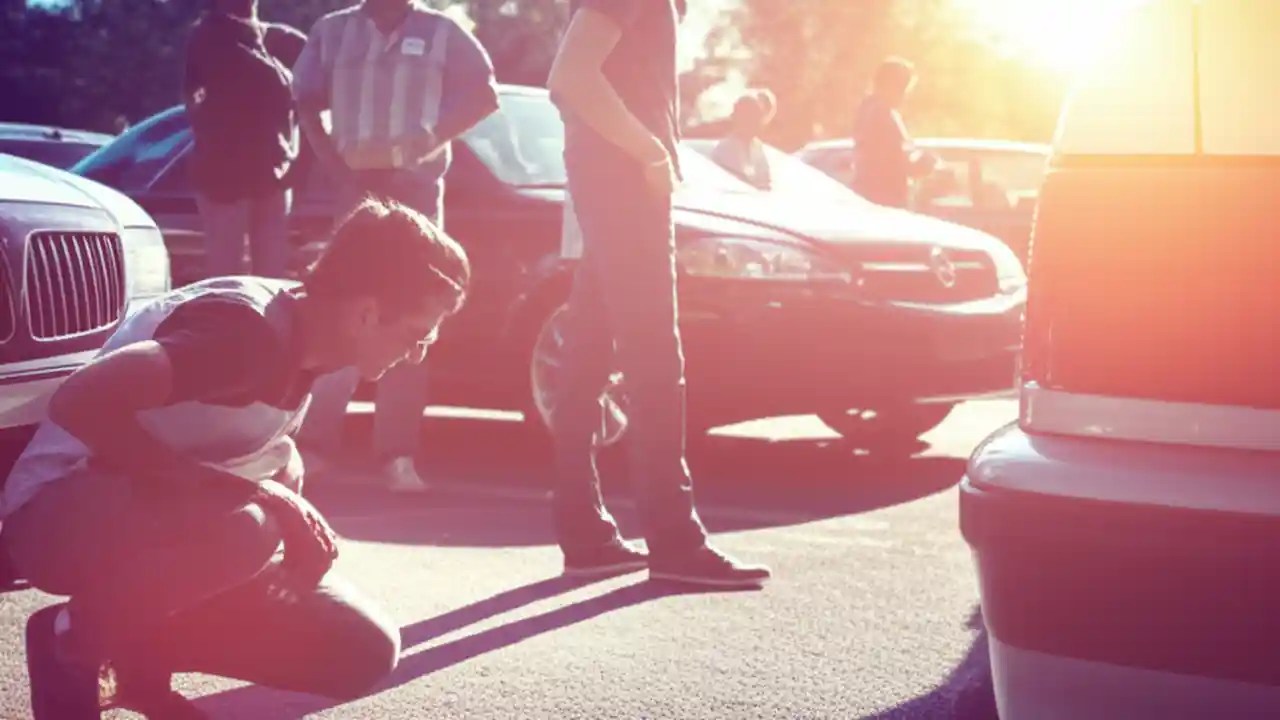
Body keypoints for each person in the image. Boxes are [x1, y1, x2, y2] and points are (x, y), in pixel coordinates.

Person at [0, 198, 471, 718]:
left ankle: (134, 656)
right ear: (367, 313)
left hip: (151, 523)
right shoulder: (244, 336)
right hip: (50, 521)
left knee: (362, 647)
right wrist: (257, 495)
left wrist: (277, 494)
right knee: (250, 528)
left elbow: (229, 455)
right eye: (418, 333)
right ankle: (75, 640)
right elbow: (80, 400)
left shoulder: (312, 345)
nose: (421, 351)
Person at [545, 0, 771, 587]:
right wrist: (648, 151)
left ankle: (584, 532)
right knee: (654, 361)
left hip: (610, 177)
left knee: (589, 356)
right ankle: (673, 541)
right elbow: (570, 77)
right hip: (624, 181)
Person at [290, 0, 499, 492]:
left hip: (417, 191)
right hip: (354, 190)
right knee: (344, 309)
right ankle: (316, 447)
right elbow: (304, 98)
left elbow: (485, 94)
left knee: (413, 317)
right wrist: (332, 163)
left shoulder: (442, 32)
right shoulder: (332, 30)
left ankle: (397, 456)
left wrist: (427, 139)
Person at [183, 0, 307, 279]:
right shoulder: (210, 36)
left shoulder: (280, 40)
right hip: (224, 178)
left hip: (273, 173)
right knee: (227, 275)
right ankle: (227, 322)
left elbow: (311, 93)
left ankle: (263, 323)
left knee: (270, 277)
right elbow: (264, 81)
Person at [851, 56, 937, 208]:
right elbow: (892, 163)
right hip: (885, 200)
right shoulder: (882, 115)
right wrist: (925, 163)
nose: (904, 96)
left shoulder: (866, 110)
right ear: (890, 85)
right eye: (903, 88)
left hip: (869, 196)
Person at [710, 89, 777, 190]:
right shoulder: (726, 149)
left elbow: (766, 179)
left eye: (759, 117)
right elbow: (740, 184)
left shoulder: (757, 147)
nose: (759, 123)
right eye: (752, 117)